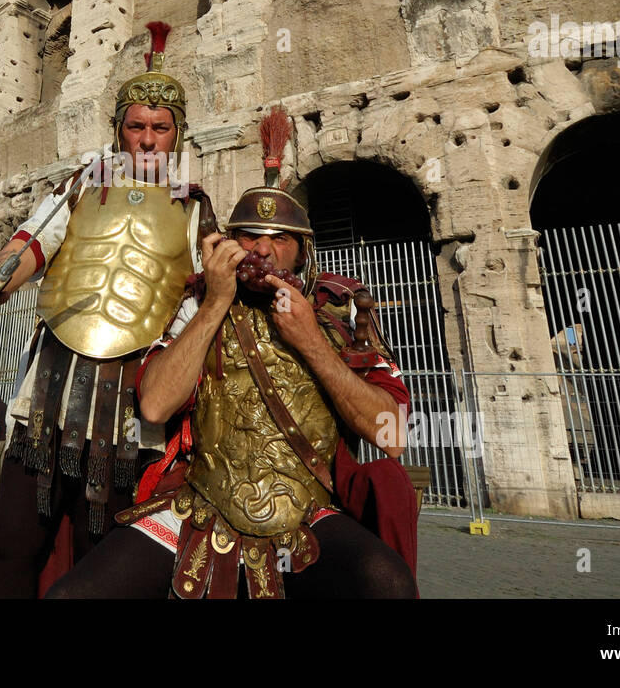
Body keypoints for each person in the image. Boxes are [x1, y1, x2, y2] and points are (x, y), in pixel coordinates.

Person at [0, 22, 217, 598]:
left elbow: (206, 299)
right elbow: (30, 244)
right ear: (120, 132)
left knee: (102, 561)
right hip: (45, 393)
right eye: (137, 127)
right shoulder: (79, 187)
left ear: (177, 134)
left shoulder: (196, 209)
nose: (147, 139)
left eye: (160, 129)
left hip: (131, 413)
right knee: (13, 547)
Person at [46, 183, 419, 599]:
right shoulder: (198, 301)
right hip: (200, 503)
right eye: (250, 237)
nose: (263, 250)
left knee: (389, 585)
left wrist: (311, 341)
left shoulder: (338, 309)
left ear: (301, 251)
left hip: (308, 510)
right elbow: (153, 405)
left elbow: (394, 436)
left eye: (280, 238)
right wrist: (215, 303)